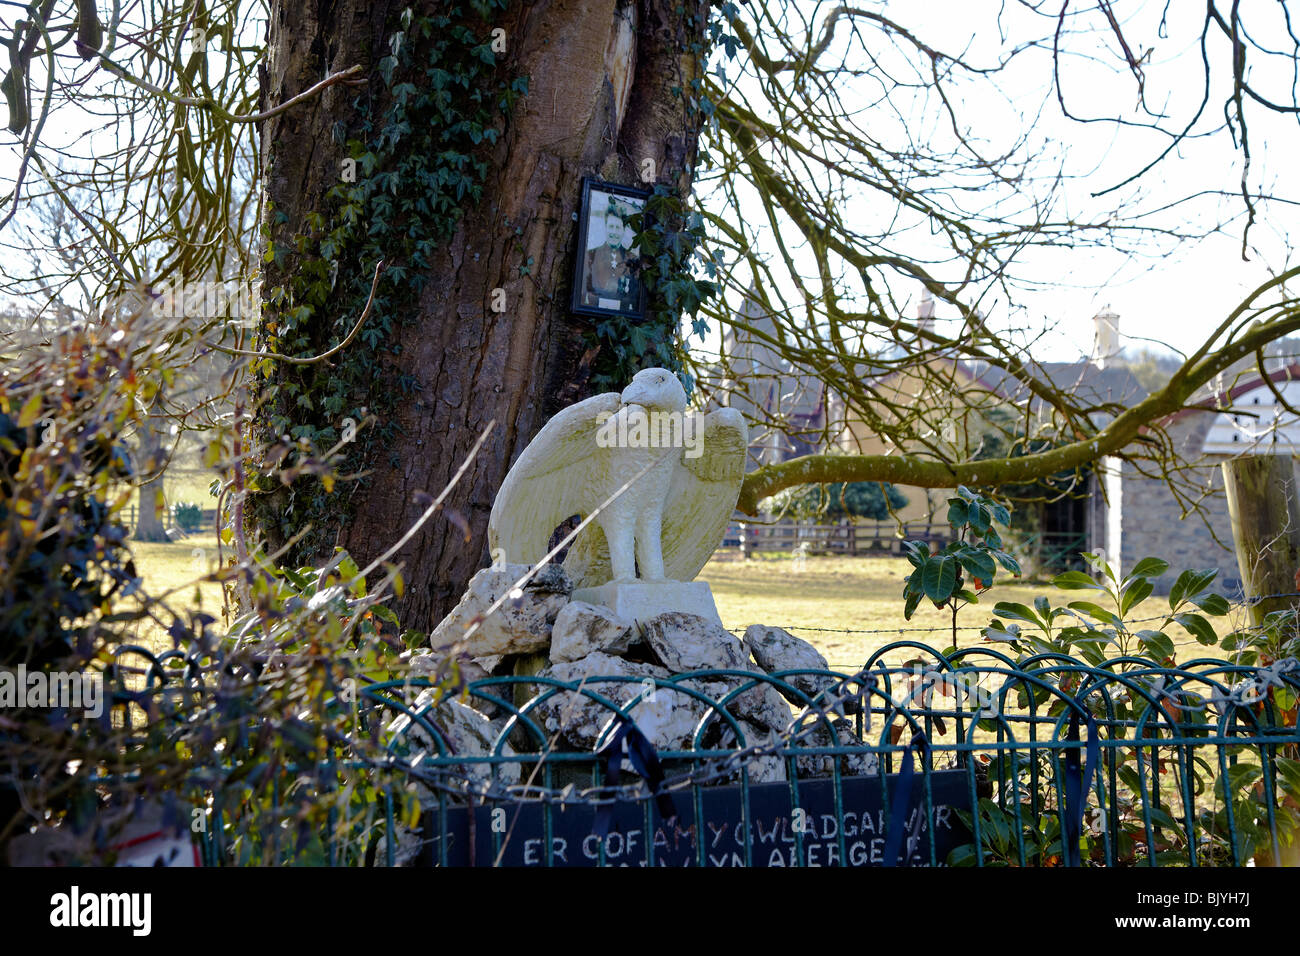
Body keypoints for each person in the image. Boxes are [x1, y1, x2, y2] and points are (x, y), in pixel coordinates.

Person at [583, 201, 641, 312]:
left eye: (618, 227)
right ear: (605, 227)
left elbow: (634, 299)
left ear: (623, 230)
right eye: (611, 226)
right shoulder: (591, 255)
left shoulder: (632, 259)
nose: (614, 232)